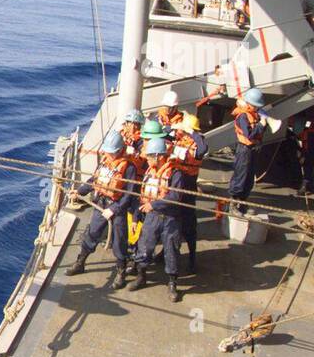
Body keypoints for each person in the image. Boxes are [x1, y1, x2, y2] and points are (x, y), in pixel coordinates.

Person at [68, 131, 139, 288]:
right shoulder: (105, 162)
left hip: (117, 209)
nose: (109, 154)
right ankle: (80, 262)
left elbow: (129, 195)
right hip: (100, 204)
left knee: (119, 241)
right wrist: (79, 191)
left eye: (111, 152)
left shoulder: (129, 168)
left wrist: (114, 209)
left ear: (120, 150)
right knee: (92, 233)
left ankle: (121, 272)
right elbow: (94, 180)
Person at [129, 137, 187, 302]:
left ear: (159, 156)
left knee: (171, 249)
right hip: (152, 217)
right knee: (144, 246)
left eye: (149, 156)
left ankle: (172, 283)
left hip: (170, 218)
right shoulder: (149, 173)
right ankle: (141, 276)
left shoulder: (175, 174)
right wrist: (135, 219)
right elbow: (142, 197)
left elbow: (175, 196)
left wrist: (154, 205)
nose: (146, 159)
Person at [171, 112, 209, 273]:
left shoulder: (197, 144)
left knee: (188, 223)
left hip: (188, 185)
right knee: (173, 221)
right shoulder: (179, 140)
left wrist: (193, 132)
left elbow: (202, 149)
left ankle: (192, 257)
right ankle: (171, 252)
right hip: (176, 184)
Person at [228, 87, 270, 212]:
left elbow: (258, 133)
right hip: (244, 149)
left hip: (252, 149)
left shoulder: (254, 115)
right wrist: (261, 125)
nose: (258, 108)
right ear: (250, 104)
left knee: (249, 177)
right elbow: (249, 134)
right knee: (241, 175)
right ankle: (234, 202)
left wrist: (264, 124)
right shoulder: (243, 116)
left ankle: (242, 201)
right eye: (256, 106)